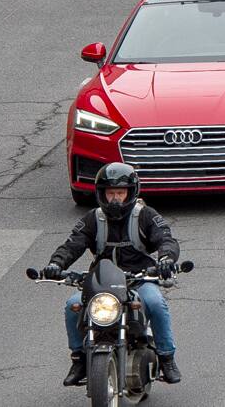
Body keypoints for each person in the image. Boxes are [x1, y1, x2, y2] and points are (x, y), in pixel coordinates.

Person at [42, 163, 182, 386]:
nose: (115, 199)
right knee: (73, 305)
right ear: (101, 194)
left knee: (155, 302)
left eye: (120, 192)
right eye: (110, 193)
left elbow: (166, 239)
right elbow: (72, 245)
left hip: (139, 279)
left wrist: (166, 260)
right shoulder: (93, 218)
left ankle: (167, 357)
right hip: (102, 282)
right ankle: (78, 358)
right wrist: (55, 264)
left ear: (131, 192)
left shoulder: (145, 215)